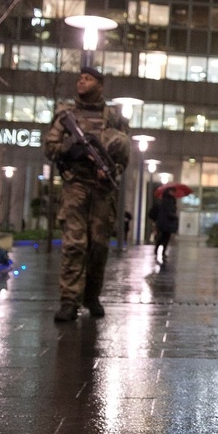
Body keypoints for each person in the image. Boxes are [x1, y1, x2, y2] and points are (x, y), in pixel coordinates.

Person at [43, 66, 131, 323]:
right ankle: (69, 300)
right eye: (80, 78)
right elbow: (50, 147)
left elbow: (124, 154)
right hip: (76, 186)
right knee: (74, 244)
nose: (82, 82)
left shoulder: (114, 117)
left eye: (88, 79)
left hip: (102, 191)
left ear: (100, 85)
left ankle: (91, 295)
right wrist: (71, 149)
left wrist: (112, 170)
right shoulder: (66, 115)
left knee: (99, 247)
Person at [149, 189, 178, 261]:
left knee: (166, 237)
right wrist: (173, 215)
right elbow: (167, 212)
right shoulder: (165, 201)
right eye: (172, 191)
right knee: (163, 237)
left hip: (167, 222)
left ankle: (161, 251)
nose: (173, 192)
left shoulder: (171, 201)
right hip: (165, 221)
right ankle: (159, 250)